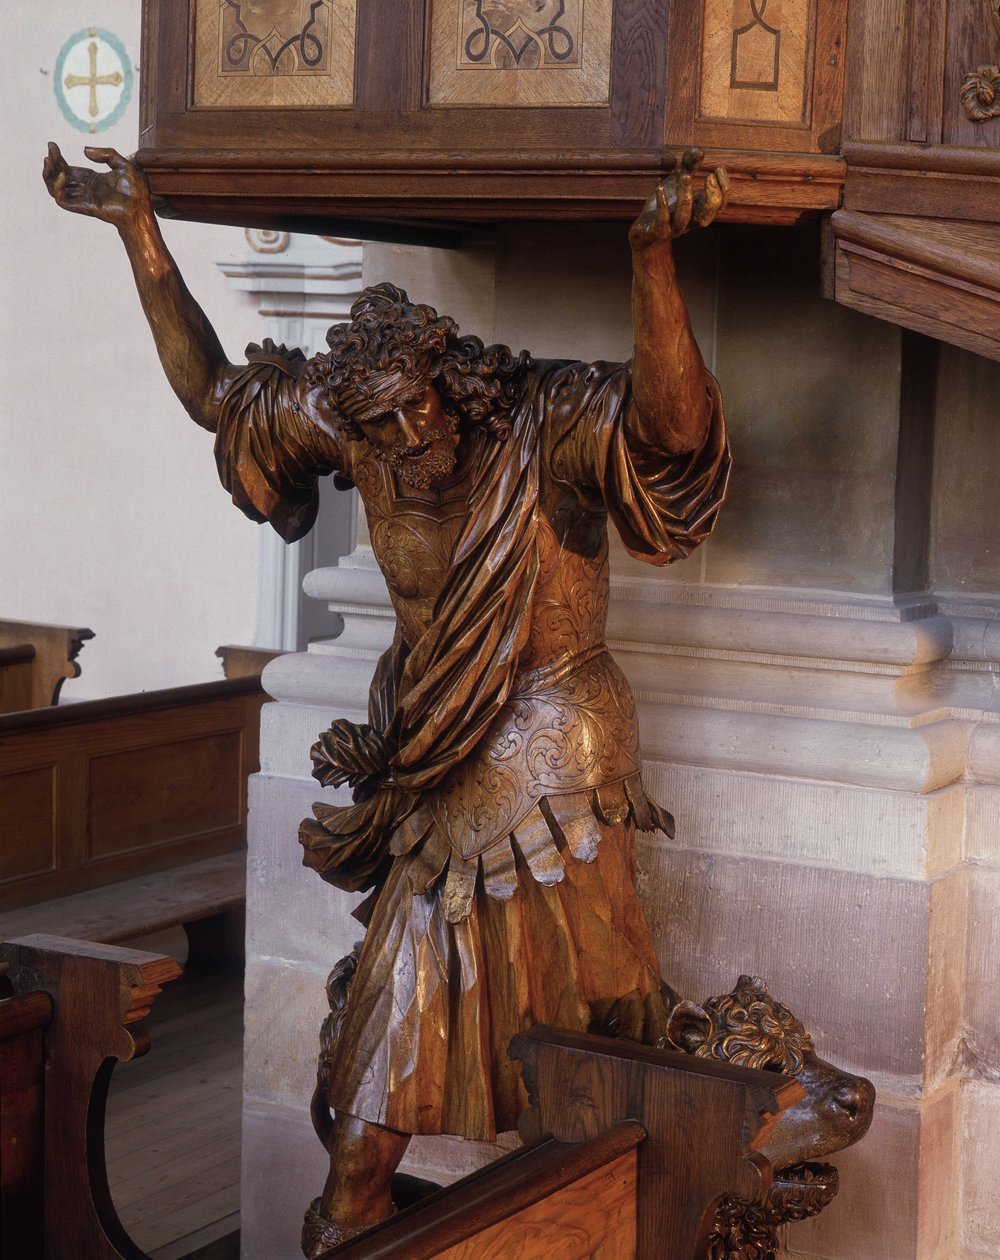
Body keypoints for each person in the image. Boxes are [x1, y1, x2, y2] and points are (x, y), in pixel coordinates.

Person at [43, 142, 731, 1255]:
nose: (410, 442)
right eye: (380, 424)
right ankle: (374, 1213)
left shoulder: (538, 420)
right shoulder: (355, 426)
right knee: (423, 1018)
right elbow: (217, 397)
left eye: (418, 411)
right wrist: (141, 234)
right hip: (438, 759)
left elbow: (673, 431)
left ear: (445, 382)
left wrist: (652, 266)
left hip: (557, 754)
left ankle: (552, 1211)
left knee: (580, 1017)